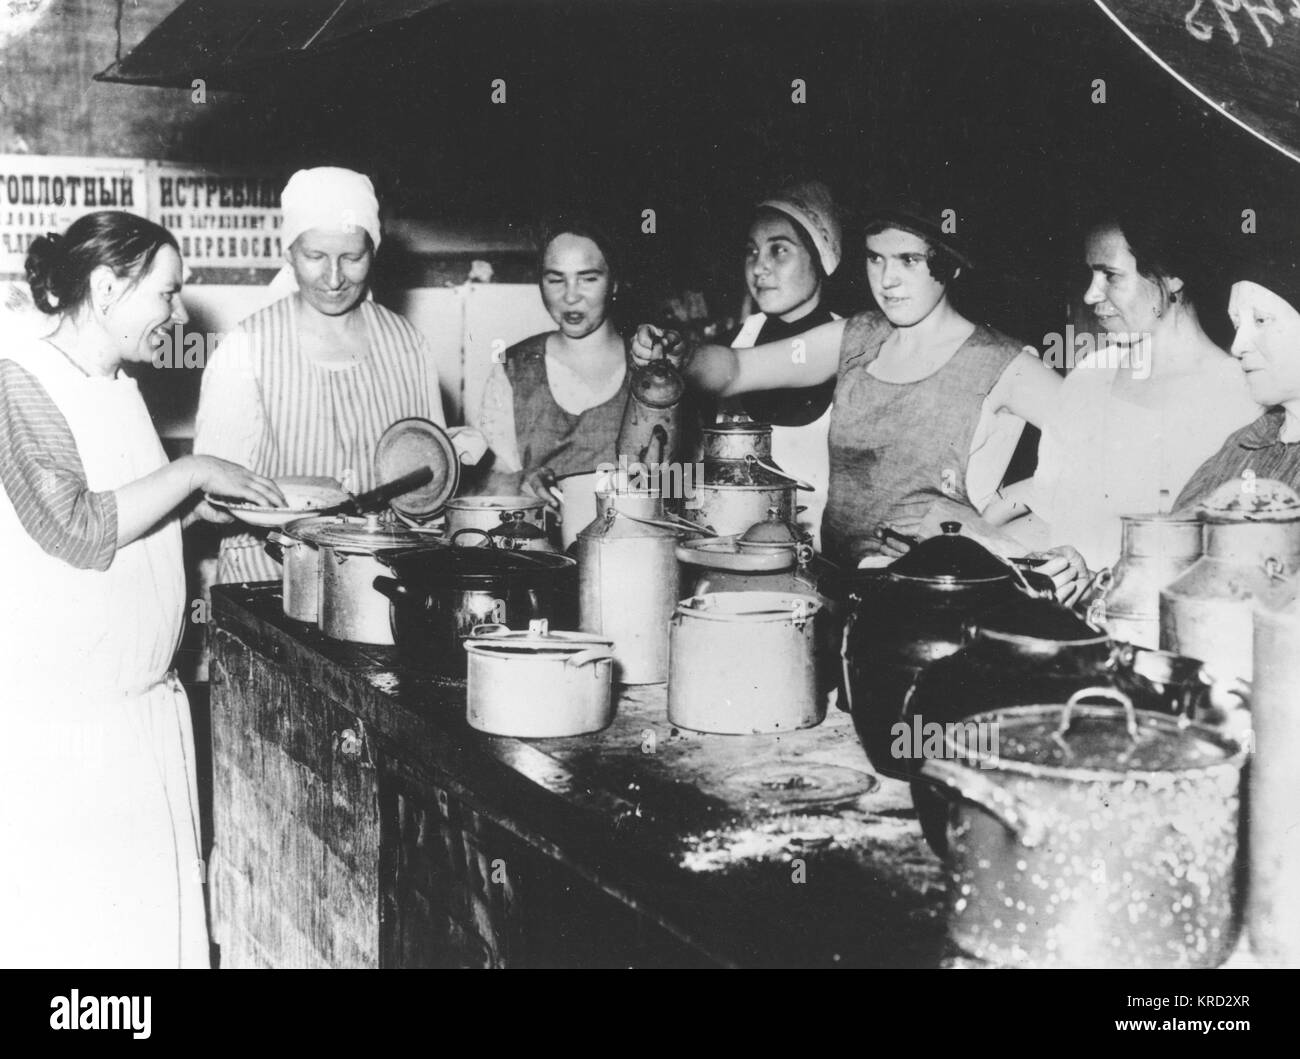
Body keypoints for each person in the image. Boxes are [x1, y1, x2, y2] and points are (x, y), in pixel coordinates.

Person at [0, 211, 283, 967]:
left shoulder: (117, 385)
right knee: (87, 951)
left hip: (140, 719)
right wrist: (195, 470)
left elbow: (147, 523)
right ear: (104, 287)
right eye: (165, 292)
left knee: (147, 945)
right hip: (71, 735)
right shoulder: (20, 382)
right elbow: (79, 528)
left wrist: (254, 500)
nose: (177, 312)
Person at [641, 199, 1087, 602]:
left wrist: (1008, 516)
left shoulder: (1002, 363)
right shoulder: (856, 337)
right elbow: (737, 370)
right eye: (876, 259)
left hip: (941, 601)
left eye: (908, 260)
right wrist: (682, 354)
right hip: (839, 590)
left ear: (949, 265)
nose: (887, 280)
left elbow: (1108, 447)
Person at [195, 167, 479, 583]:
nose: (333, 279)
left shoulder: (406, 344)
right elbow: (214, 491)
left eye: (351, 257)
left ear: (373, 251)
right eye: (315, 257)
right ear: (289, 253)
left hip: (373, 580)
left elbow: (426, 486)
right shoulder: (246, 347)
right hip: (267, 578)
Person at [989, 209, 1259, 569]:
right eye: (1091, 274)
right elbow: (1054, 515)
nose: (1089, 294)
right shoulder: (1089, 375)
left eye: (1110, 276)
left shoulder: (1242, 397)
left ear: (1172, 277)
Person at [478, 218, 632, 506]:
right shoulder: (512, 369)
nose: (570, 296)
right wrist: (519, 481)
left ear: (615, 284)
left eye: (588, 278)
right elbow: (495, 481)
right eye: (556, 279)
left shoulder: (652, 370)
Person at [725, 181, 842, 547]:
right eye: (751, 251)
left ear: (821, 257)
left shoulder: (847, 342)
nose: (759, 267)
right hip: (734, 545)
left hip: (823, 558)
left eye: (779, 251)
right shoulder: (741, 340)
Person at [1176, 245, 1300, 509]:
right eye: (1236, 324)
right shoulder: (1241, 446)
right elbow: (1176, 539)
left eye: (1261, 321)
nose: (1237, 346)